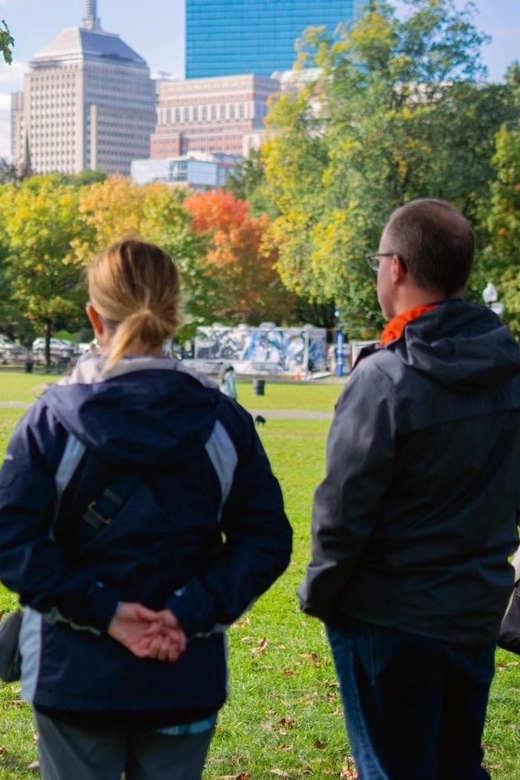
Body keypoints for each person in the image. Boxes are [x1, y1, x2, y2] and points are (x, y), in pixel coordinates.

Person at [0, 239, 292, 780]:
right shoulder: (224, 424)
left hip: (74, 675)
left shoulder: (51, 424)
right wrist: (189, 611)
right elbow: (266, 540)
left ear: (94, 317)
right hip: (182, 670)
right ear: (175, 313)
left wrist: (104, 611)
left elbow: (11, 540)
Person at [299, 199, 520, 779]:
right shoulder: (509, 367)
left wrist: (322, 593)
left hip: (388, 619)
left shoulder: (385, 377)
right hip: (473, 609)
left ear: (395, 268)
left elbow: (343, 508)